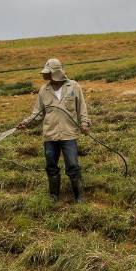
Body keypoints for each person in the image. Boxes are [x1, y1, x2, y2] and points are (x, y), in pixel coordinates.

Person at [16, 58, 91, 202]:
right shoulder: (44, 90)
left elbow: (82, 108)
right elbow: (37, 113)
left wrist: (85, 123)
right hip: (50, 135)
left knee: (73, 166)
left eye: (49, 73)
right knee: (51, 166)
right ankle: (54, 196)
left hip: (69, 134)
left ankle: (79, 196)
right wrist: (26, 123)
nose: (47, 77)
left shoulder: (73, 86)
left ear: (56, 73)